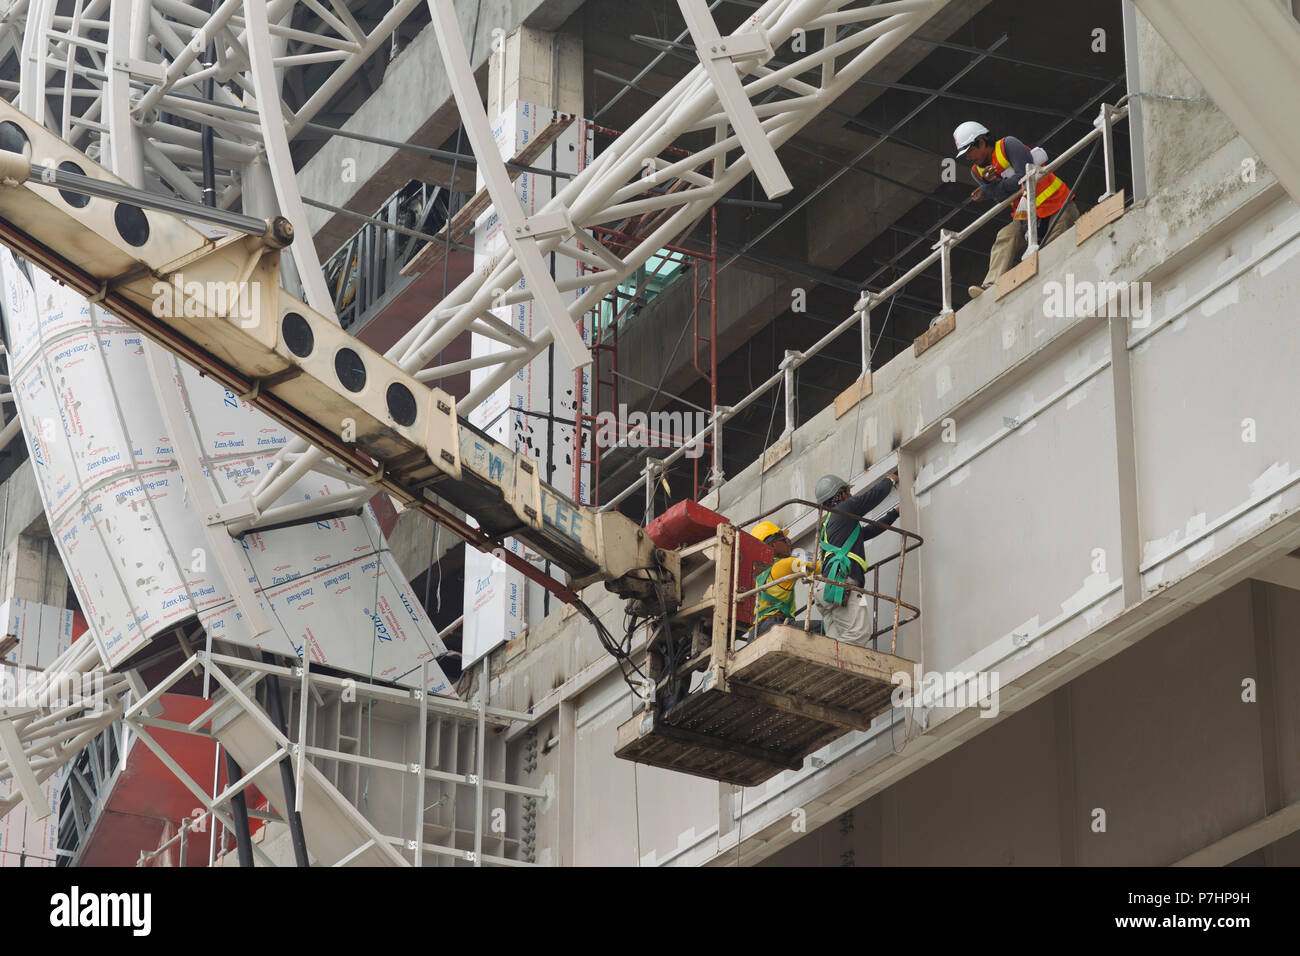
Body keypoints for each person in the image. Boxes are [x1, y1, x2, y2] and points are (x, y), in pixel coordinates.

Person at [952, 121, 1081, 300]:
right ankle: (990, 285)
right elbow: (1000, 198)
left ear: (981, 142)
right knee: (1005, 236)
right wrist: (991, 186)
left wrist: (990, 189)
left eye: (969, 151)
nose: (968, 157)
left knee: (1051, 254)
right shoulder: (977, 171)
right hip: (1025, 215)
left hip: (1057, 203)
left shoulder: (1008, 145)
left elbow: (1023, 176)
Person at [811, 472, 900, 645]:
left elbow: (869, 531)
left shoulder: (832, 523)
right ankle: (838, 667)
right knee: (859, 634)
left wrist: (894, 513)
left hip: (827, 590)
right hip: (843, 585)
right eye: (848, 492)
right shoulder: (845, 508)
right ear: (840, 494)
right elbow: (872, 497)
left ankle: (832, 668)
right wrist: (890, 480)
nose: (851, 496)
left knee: (835, 641)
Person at [748, 521, 820, 637]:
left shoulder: (755, 575)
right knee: (826, 628)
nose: (789, 542)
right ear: (772, 545)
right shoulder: (786, 564)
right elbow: (818, 567)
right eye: (783, 539)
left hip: (754, 634)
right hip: (773, 627)